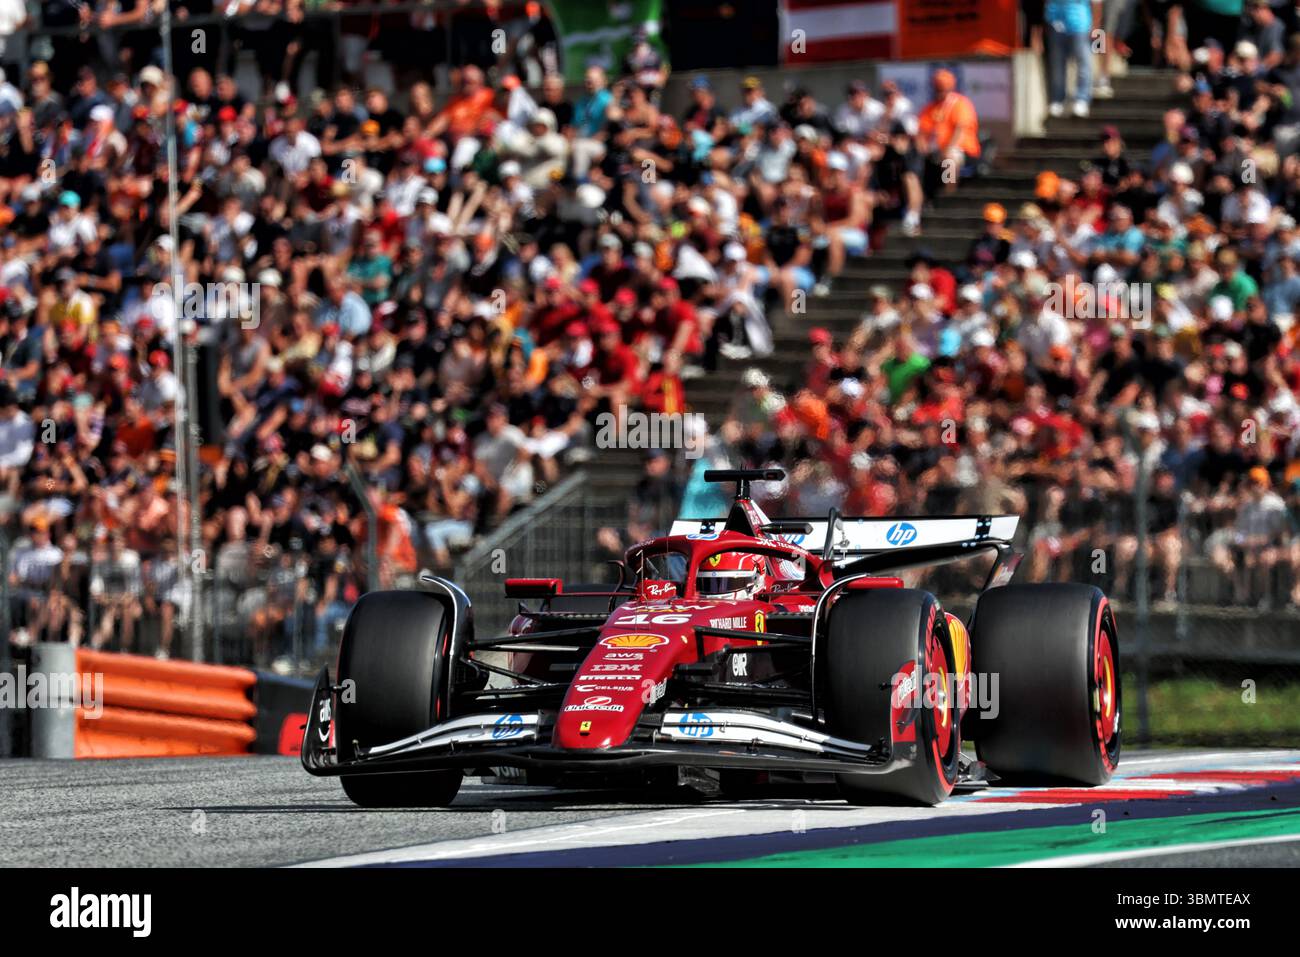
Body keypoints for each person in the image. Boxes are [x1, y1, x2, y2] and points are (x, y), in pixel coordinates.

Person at [1044, 0, 1098, 118]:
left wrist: (1095, 28)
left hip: (1080, 24)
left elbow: (1096, 3)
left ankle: (1082, 99)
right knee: (1057, 65)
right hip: (1055, 23)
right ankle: (1057, 100)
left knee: (1084, 64)